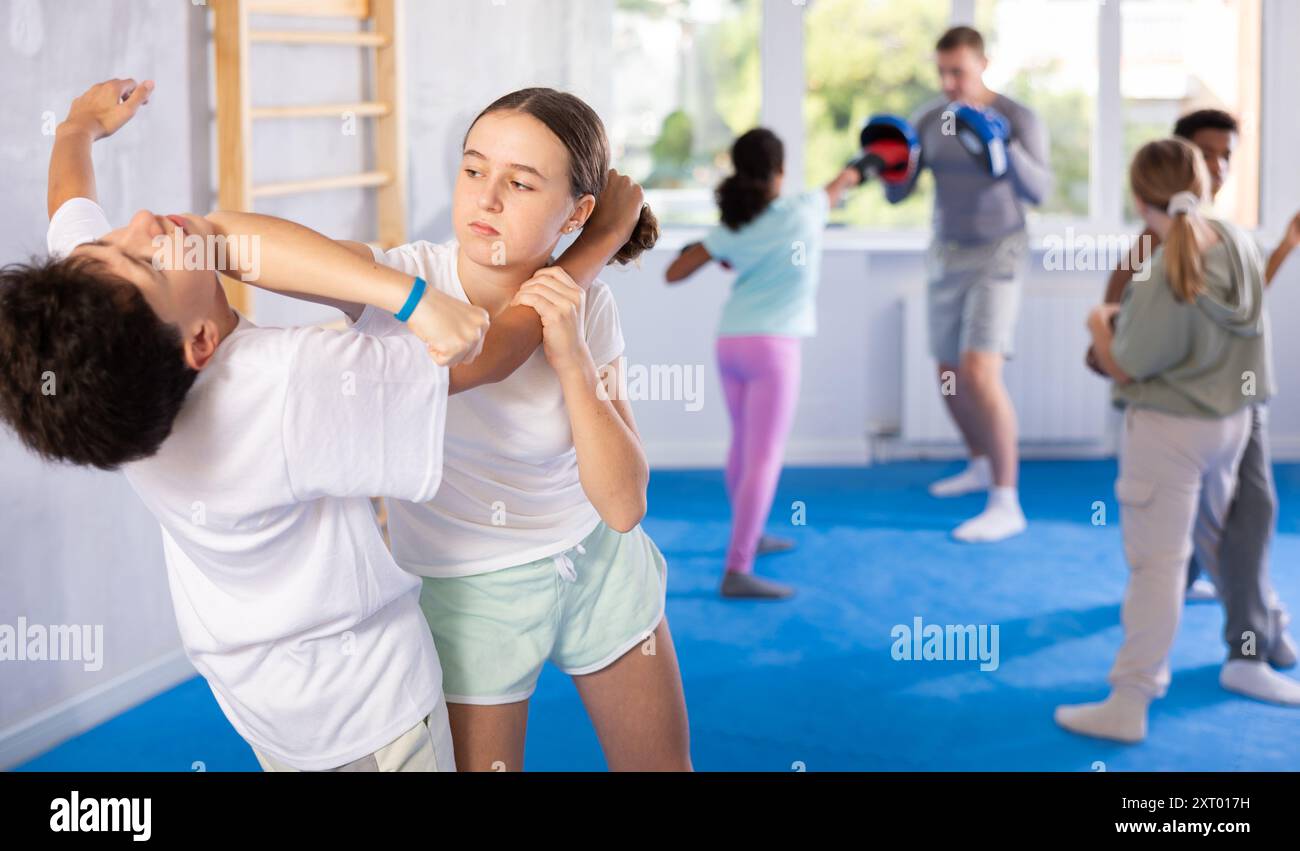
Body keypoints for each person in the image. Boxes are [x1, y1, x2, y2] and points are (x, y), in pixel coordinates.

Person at [0, 78, 634, 771]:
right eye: (150, 260)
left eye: (111, 242)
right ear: (202, 342)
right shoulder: (290, 386)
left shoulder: (99, 364)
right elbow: (493, 352)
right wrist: (592, 245)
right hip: (375, 714)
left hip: (263, 705)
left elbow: (78, 211)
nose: (146, 223)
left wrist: (76, 130)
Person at [346, 88, 693, 771]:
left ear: (578, 212)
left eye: (520, 182)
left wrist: (572, 360)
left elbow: (623, 504)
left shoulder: (588, 303)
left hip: (596, 563)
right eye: (474, 170)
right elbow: (266, 254)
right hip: (468, 589)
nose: (487, 198)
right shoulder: (403, 279)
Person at [1057, 138, 1300, 745]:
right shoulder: (1242, 242)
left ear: (1140, 200)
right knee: (1218, 545)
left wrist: (1097, 321)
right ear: (1205, 179)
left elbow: (1126, 365)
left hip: (1168, 432)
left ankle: (1130, 700)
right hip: (1232, 425)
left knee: (1155, 568)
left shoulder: (1165, 266)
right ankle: (1253, 648)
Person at [664, 127, 860, 599]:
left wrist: (712, 251)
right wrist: (864, 166)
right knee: (765, 458)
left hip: (731, 341)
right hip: (774, 348)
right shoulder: (803, 210)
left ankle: (748, 536)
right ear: (780, 171)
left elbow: (675, 273)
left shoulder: (734, 225)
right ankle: (737, 568)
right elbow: (843, 183)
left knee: (744, 446)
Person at [886, 25, 1052, 542]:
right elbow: (899, 195)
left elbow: (1041, 189)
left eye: (958, 71)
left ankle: (1007, 501)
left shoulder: (1019, 117)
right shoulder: (931, 121)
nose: (949, 82)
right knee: (949, 373)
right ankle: (978, 463)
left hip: (1000, 251)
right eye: (942, 71)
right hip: (946, 252)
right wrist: (887, 161)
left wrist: (1000, 143)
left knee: (980, 370)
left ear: (983, 64)